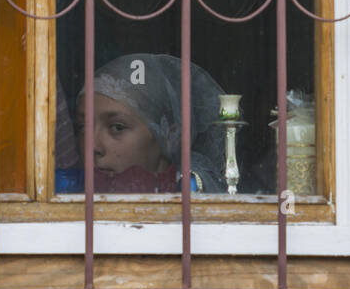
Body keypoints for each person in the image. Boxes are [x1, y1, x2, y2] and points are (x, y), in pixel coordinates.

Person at [55, 52, 225, 193]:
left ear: (169, 136)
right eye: (82, 127)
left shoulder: (194, 204)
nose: (92, 147)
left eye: (117, 127)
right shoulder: (63, 198)